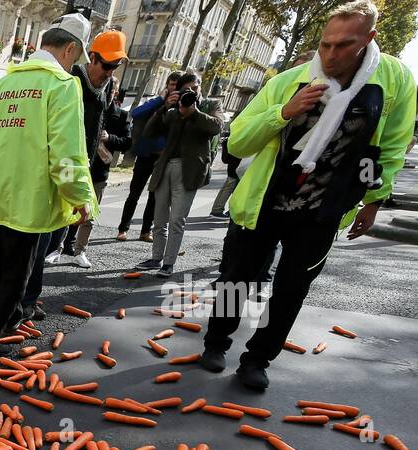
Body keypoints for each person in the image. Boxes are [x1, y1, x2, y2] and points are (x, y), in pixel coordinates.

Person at [201, 0, 416, 391]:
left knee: (291, 289)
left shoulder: (394, 81)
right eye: (325, 45)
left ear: (369, 39)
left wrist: (374, 199)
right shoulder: (290, 81)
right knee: (236, 279)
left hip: (323, 211)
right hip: (263, 203)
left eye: (343, 46)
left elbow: (392, 145)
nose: (331, 55)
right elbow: (239, 140)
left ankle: (258, 359)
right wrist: (282, 113)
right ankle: (216, 341)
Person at [0, 16, 96, 357]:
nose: (73, 66)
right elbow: (66, 155)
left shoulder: (2, 87)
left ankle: (14, 314)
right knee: (17, 279)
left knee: (4, 270)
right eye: (75, 58)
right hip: (29, 198)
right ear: (70, 48)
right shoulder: (62, 86)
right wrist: (80, 197)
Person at [137, 71, 222, 277]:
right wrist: (164, 107)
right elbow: (148, 132)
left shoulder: (210, 106)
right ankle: (156, 258)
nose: (192, 92)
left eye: (196, 87)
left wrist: (192, 111)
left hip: (189, 170)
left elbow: (216, 126)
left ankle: (168, 263)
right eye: (187, 89)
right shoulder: (172, 108)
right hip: (165, 166)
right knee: (159, 219)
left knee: (177, 219)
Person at [59, 30, 129, 269]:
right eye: (106, 66)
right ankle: (52, 249)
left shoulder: (107, 85)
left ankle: (74, 248)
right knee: (58, 210)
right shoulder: (72, 78)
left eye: (114, 67)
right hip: (65, 161)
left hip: (87, 163)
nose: (109, 73)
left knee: (85, 211)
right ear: (92, 57)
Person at [117, 71, 179, 242]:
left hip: (163, 158)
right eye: (171, 84)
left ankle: (146, 231)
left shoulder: (182, 105)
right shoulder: (156, 101)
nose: (174, 88)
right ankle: (123, 228)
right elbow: (136, 113)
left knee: (154, 197)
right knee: (134, 194)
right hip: (145, 155)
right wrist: (160, 100)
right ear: (166, 85)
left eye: (177, 85)